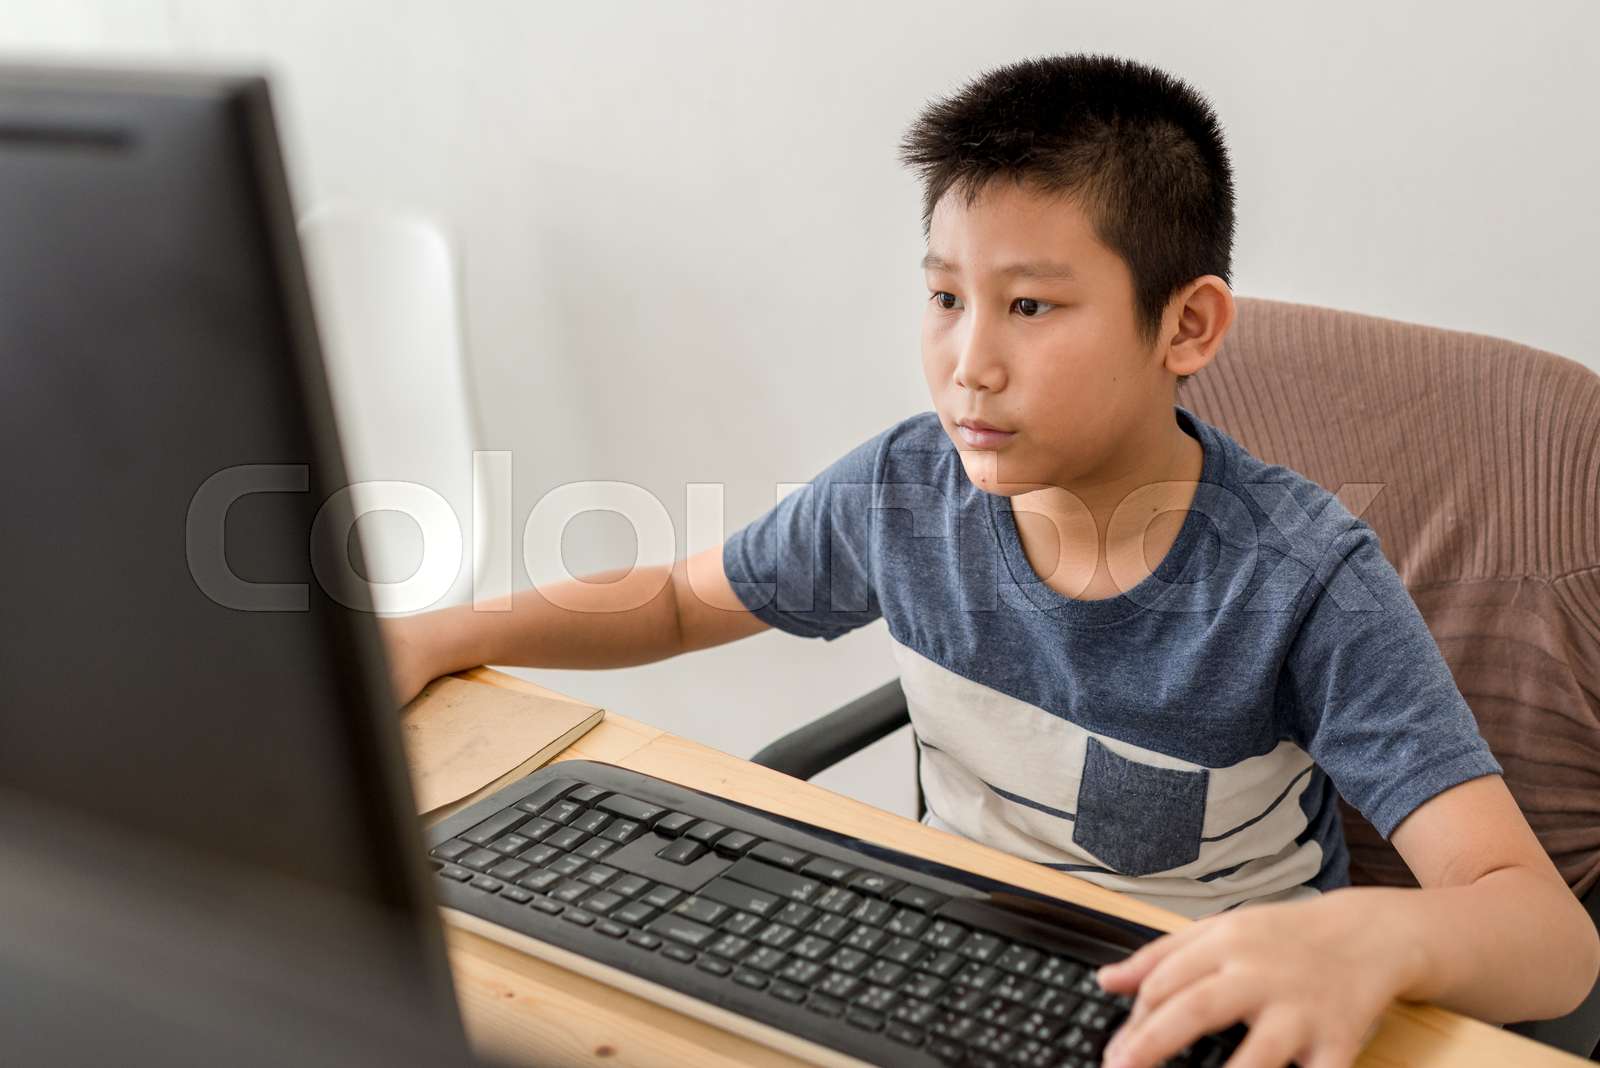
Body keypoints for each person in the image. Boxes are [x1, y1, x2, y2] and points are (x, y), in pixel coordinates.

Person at [382, 53, 1598, 1068]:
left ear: (1187, 327)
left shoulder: (1301, 578)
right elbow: (675, 599)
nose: (968, 360)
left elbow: (1545, 933)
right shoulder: (908, 488)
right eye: (943, 297)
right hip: (952, 973)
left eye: (1028, 307)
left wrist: (1374, 941)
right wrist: (444, 632)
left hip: (1201, 1017)